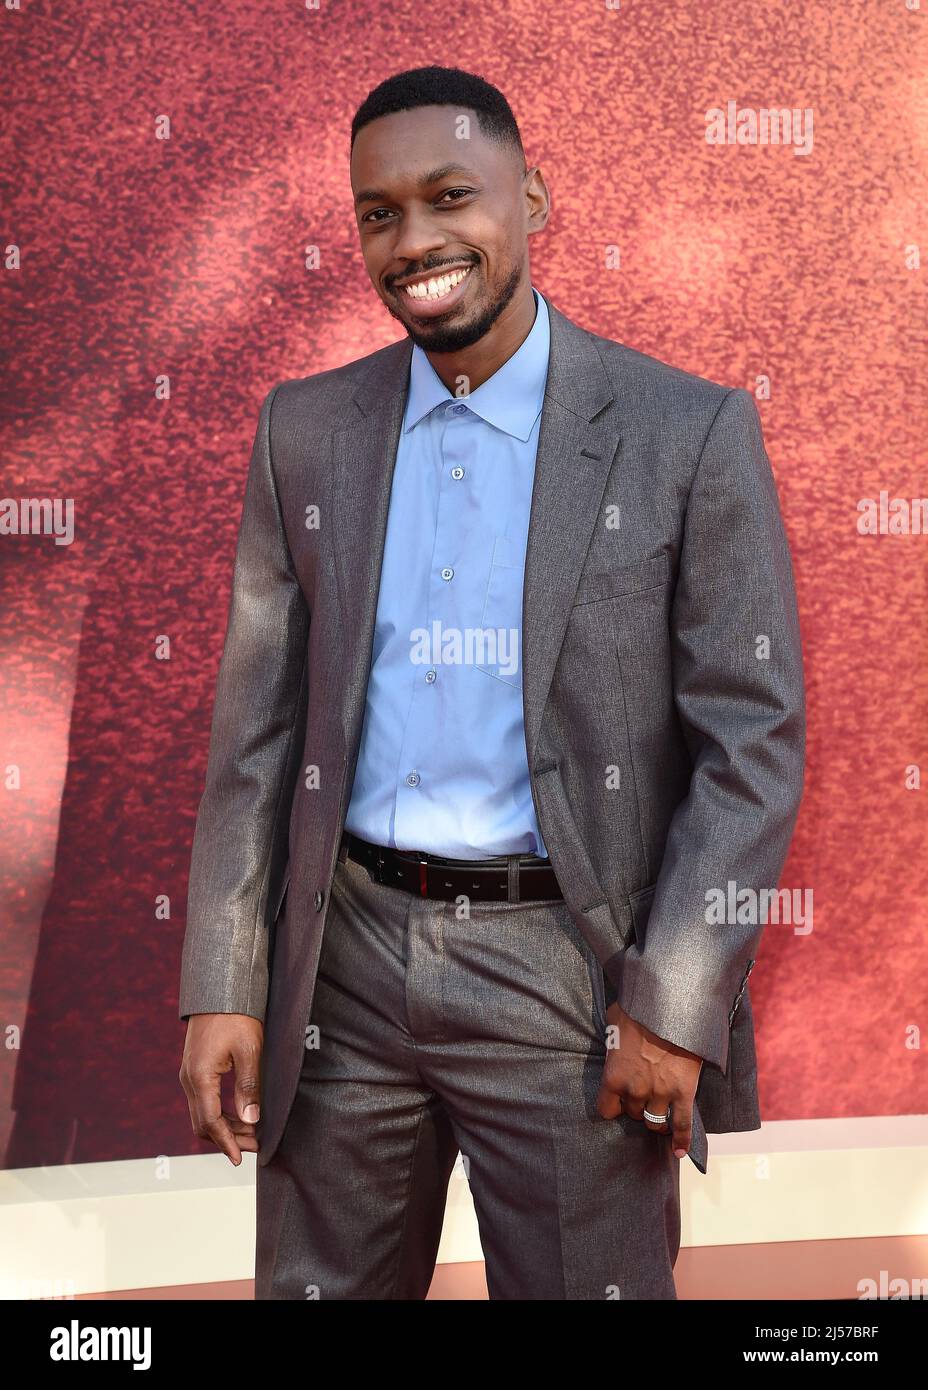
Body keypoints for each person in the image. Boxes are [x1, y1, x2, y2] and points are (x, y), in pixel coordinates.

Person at [178, 64, 806, 1300]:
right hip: (345, 969)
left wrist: (673, 999)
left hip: (568, 978)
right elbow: (258, 734)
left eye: (450, 196)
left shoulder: (685, 435)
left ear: (534, 197)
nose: (415, 241)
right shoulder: (303, 432)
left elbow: (753, 742)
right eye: (378, 213)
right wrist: (221, 977)